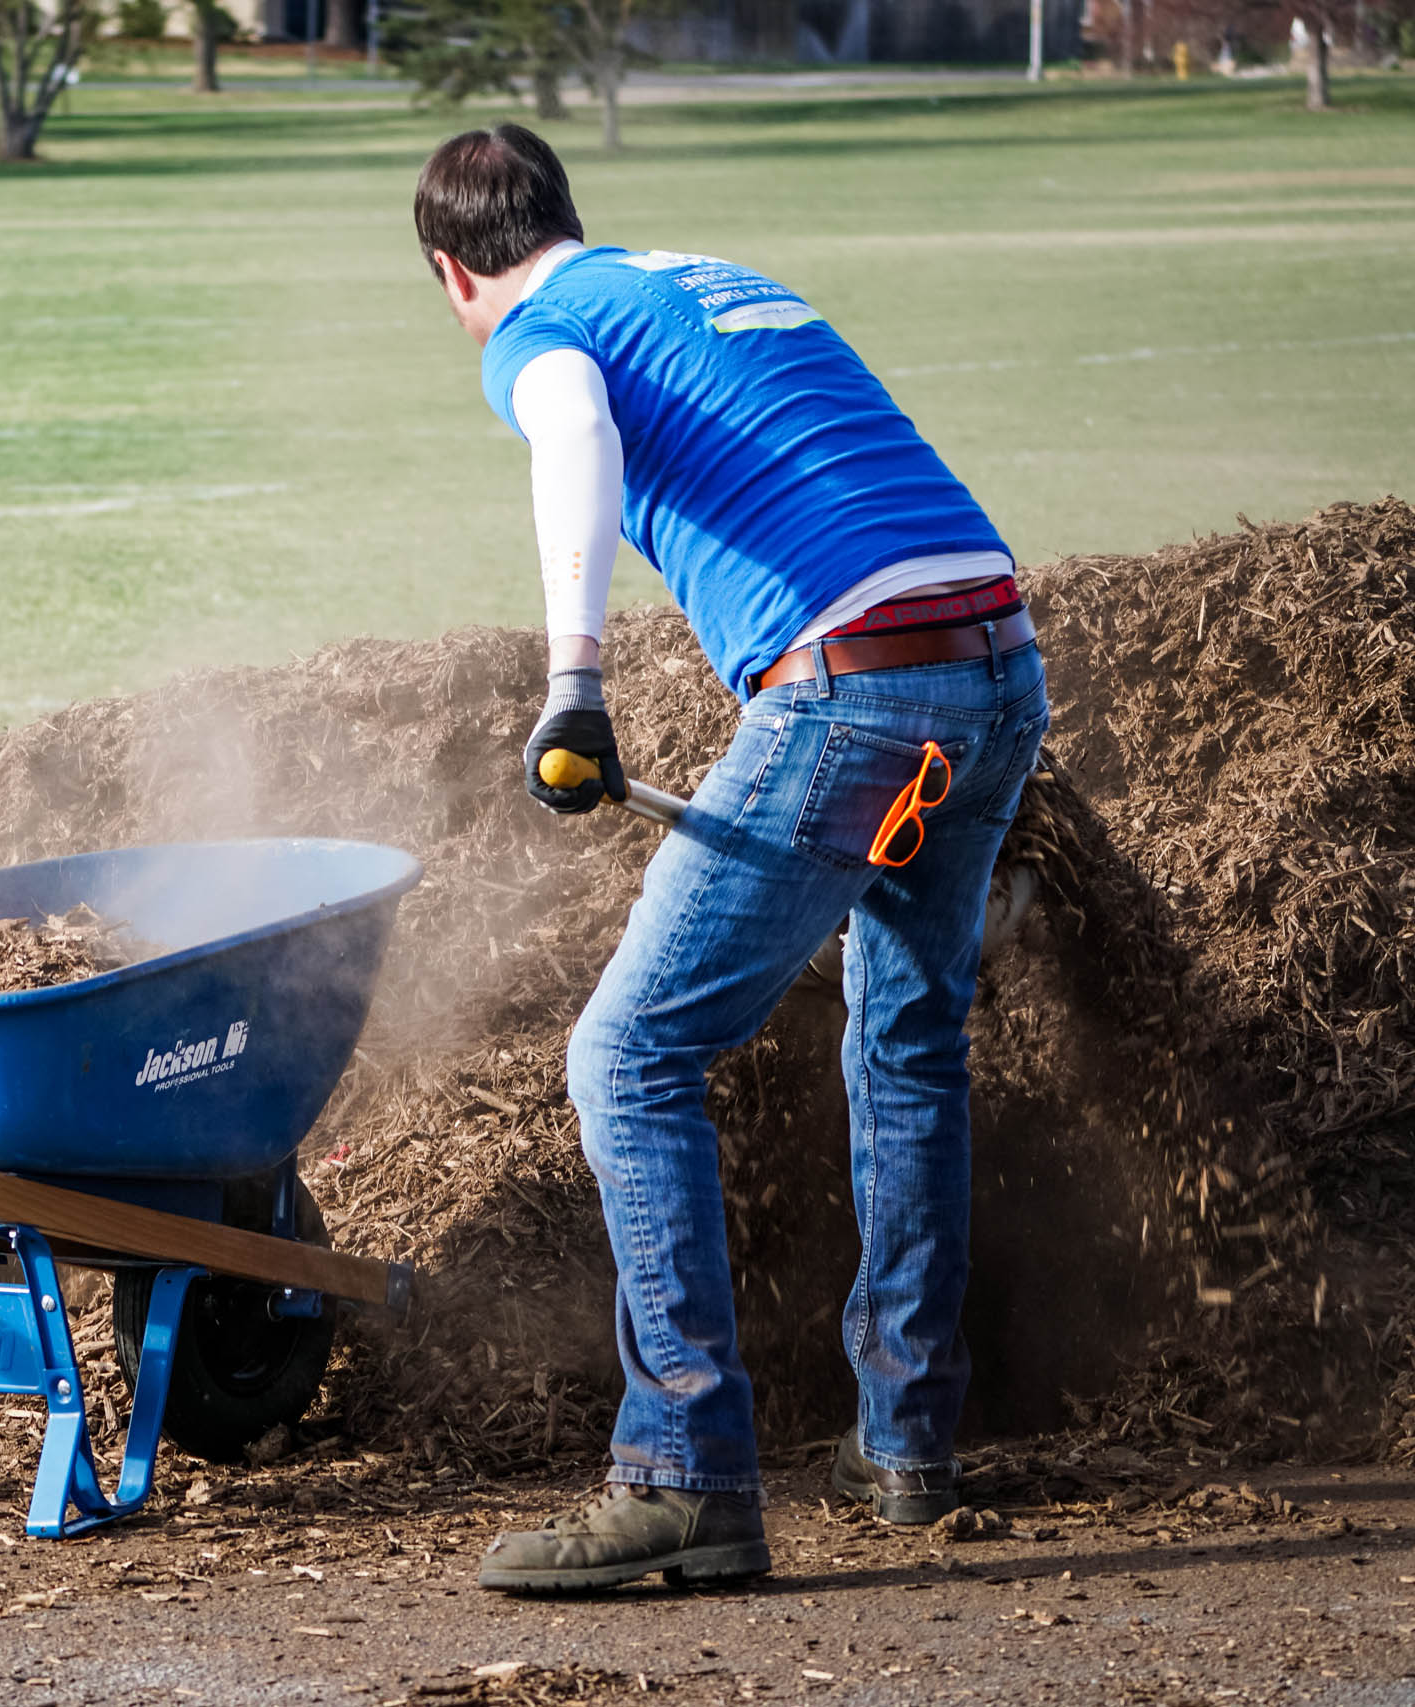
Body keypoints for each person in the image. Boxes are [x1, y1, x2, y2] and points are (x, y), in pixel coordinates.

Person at [414, 127, 1049, 1593]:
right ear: (568, 212)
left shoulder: (540, 329)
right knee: (907, 1034)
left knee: (628, 1054)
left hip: (860, 686)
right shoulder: (711, 280)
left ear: (456, 272)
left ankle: (683, 1474)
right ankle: (904, 1440)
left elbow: (572, 429)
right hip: (997, 658)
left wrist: (574, 677)